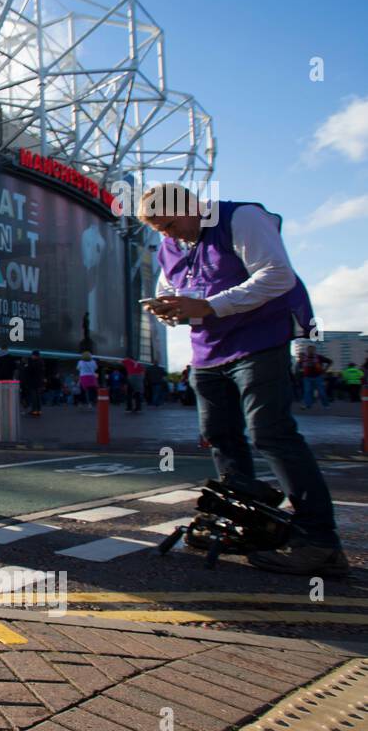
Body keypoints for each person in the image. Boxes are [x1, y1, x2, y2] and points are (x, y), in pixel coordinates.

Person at [140, 182, 346, 576]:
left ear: (191, 205)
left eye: (169, 223)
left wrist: (208, 305)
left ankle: (320, 543)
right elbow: (172, 291)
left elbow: (277, 275)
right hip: (207, 351)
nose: (166, 234)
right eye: (158, 229)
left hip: (258, 342)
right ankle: (248, 525)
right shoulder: (170, 247)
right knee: (221, 437)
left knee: (272, 434)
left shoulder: (241, 217)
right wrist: (170, 310)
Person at [22, 349, 45, 416]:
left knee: (34, 396)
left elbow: (29, 370)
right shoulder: (41, 362)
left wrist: (26, 365)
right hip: (39, 382)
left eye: (32, 355)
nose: (32, 356)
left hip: (33, 382)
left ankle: (34, 410)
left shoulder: (33, 362)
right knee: (38, 396)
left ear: (35, 356)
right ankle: (38, 410)